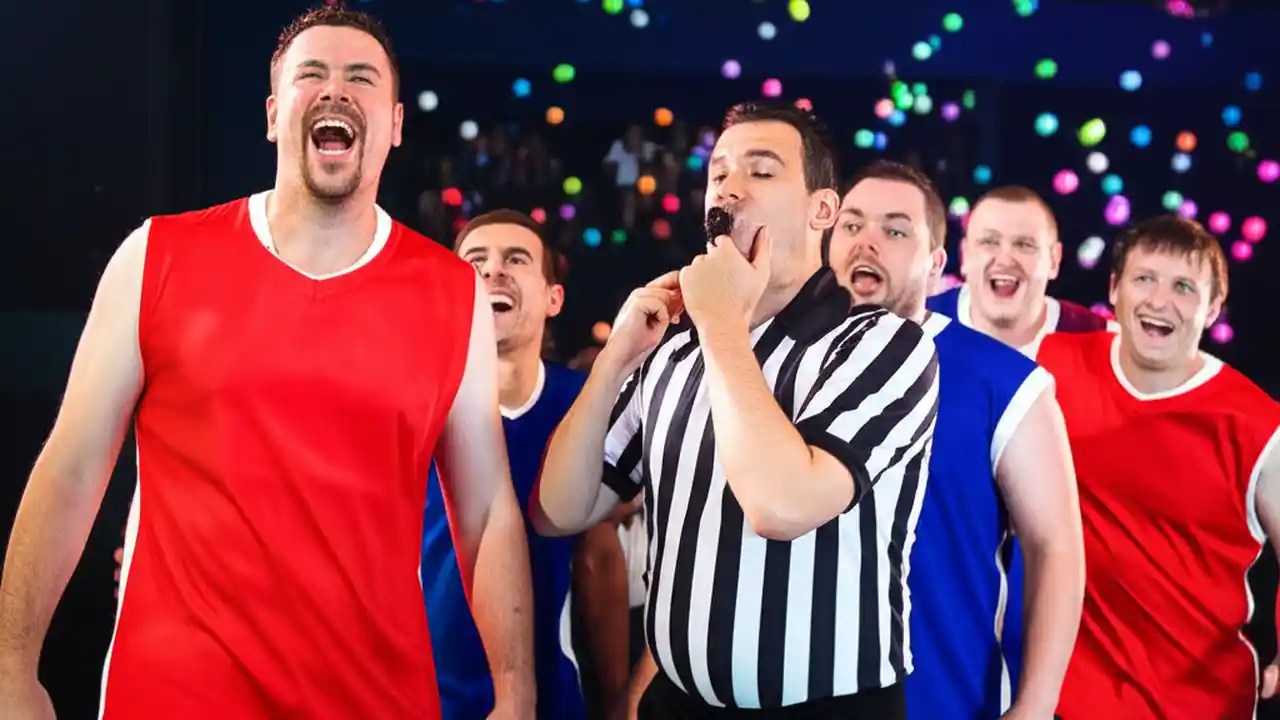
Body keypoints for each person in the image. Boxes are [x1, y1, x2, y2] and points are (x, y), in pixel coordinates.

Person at [0, 8, 536, 719]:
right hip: (176, 693)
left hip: (374, 696)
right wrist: (13, 669)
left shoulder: (451, 294)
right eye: (310, 75)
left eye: (361, 77)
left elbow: (487, 510)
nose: (334, 90)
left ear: (397, 122)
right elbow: (71, 467)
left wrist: (516, 690)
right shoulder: (156, 258)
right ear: (273, 113)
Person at [533, 101, 941, 719]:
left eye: (761, 170)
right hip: (680, 702)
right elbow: (560, 509)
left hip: (829, 706)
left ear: (822, 210)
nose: (729, 185)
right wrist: (616, 356)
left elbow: (779, 506)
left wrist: (723, 320)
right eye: (718, 171)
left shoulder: (883, 343)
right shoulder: (672, 349)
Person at [828, 160, 1084, 719]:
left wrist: (1036, 706)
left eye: (895, 230)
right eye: (851, 225)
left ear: (938, 261)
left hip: (941, 696)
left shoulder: (1003, 381)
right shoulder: (776, 360)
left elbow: (1056, 548)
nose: (867, 242)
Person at [1037, 215, 1280, 720]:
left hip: (1203, 703)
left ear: (1213, 309)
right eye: (1144, 278)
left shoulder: (1259, 426)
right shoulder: (1050, 367)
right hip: (1065, 698)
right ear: (1114, 289)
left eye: (1184, 287)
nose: (1159, 300)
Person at [420, 209, 630, 720]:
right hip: (420, 695)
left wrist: (617, 703)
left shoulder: (582, 405)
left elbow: (597, 561)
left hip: (550, 697)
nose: (493, 272)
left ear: (553, 298)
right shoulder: (411, 403)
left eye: (515, 259)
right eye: (476, 261)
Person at [927, 186, 1110, 358]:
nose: (1005, 260)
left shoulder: (1105, 344)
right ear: (965, 255)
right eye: (989, 242)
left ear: (1054, 260)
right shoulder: (916, 328)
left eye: (1023, 245)